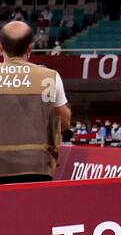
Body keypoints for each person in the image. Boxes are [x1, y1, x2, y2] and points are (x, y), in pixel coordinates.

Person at [0, 21, 71, 184]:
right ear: (30, 48)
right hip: (37, 167)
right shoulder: (50, 76)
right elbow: (64, 123)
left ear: (1, 47)